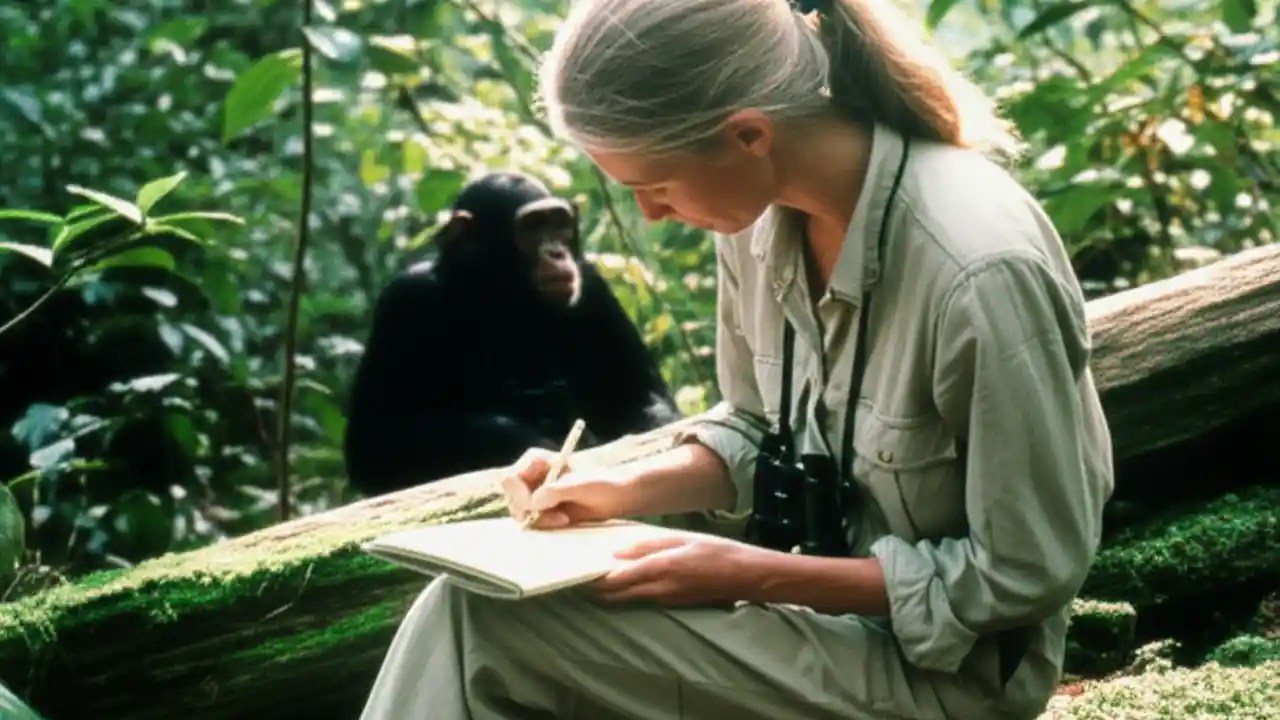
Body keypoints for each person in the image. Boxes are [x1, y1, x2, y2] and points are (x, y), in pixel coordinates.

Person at [358, 0, 1114, 717]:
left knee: (486, 633)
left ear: (748, 133)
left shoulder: (977, 270)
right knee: (471, 600)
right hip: (805, 613)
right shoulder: (751, 212)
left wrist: (749, 573)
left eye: (654, 186)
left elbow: (1024, 572)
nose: (651, 215)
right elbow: (757, 427)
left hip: (945, 677)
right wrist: (610, 488)